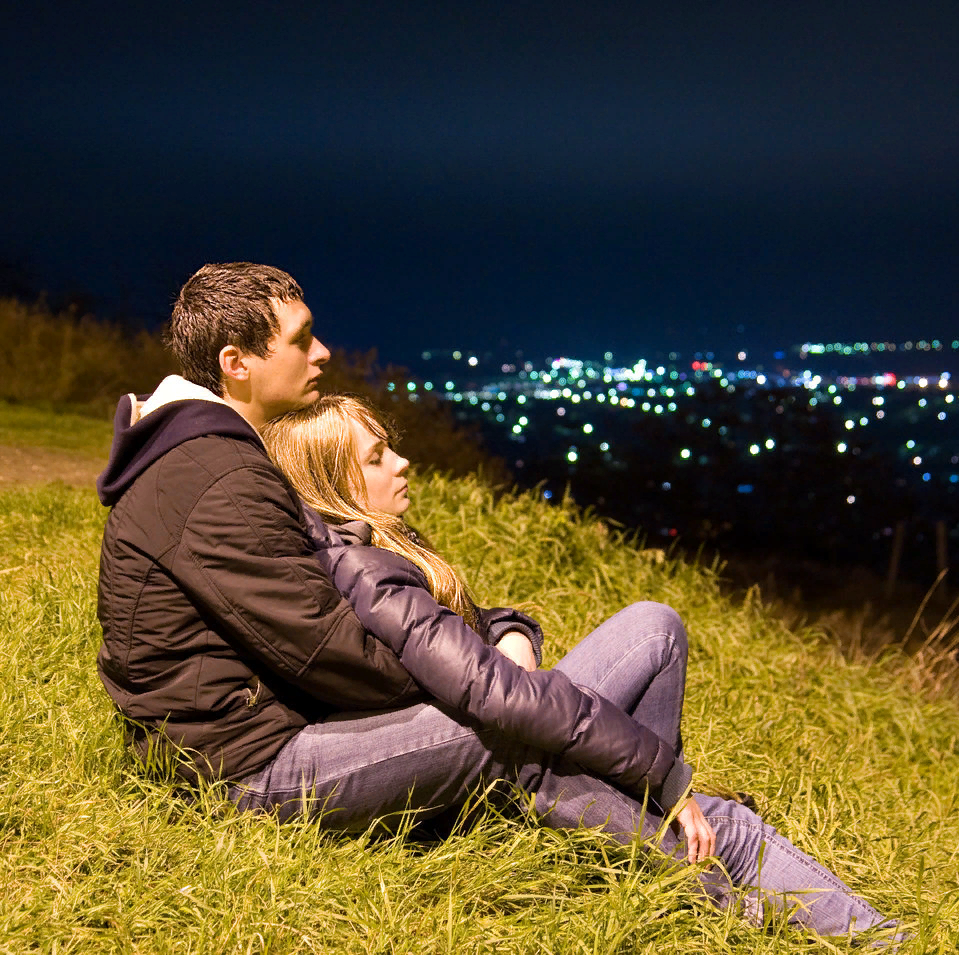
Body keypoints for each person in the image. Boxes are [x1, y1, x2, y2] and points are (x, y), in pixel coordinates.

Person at [95, 262, 902, 943]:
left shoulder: (219, 460)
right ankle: (710, 895)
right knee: (498, 723)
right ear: (237, 362)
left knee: (592, 669)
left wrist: (486, 647)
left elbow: (341, 629)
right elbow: (330, 653)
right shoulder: (218, 475)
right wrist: (475, 675)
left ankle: (646, 839)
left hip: (245, 739)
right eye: (301, 338)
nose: (323, 350)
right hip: (246, 766)